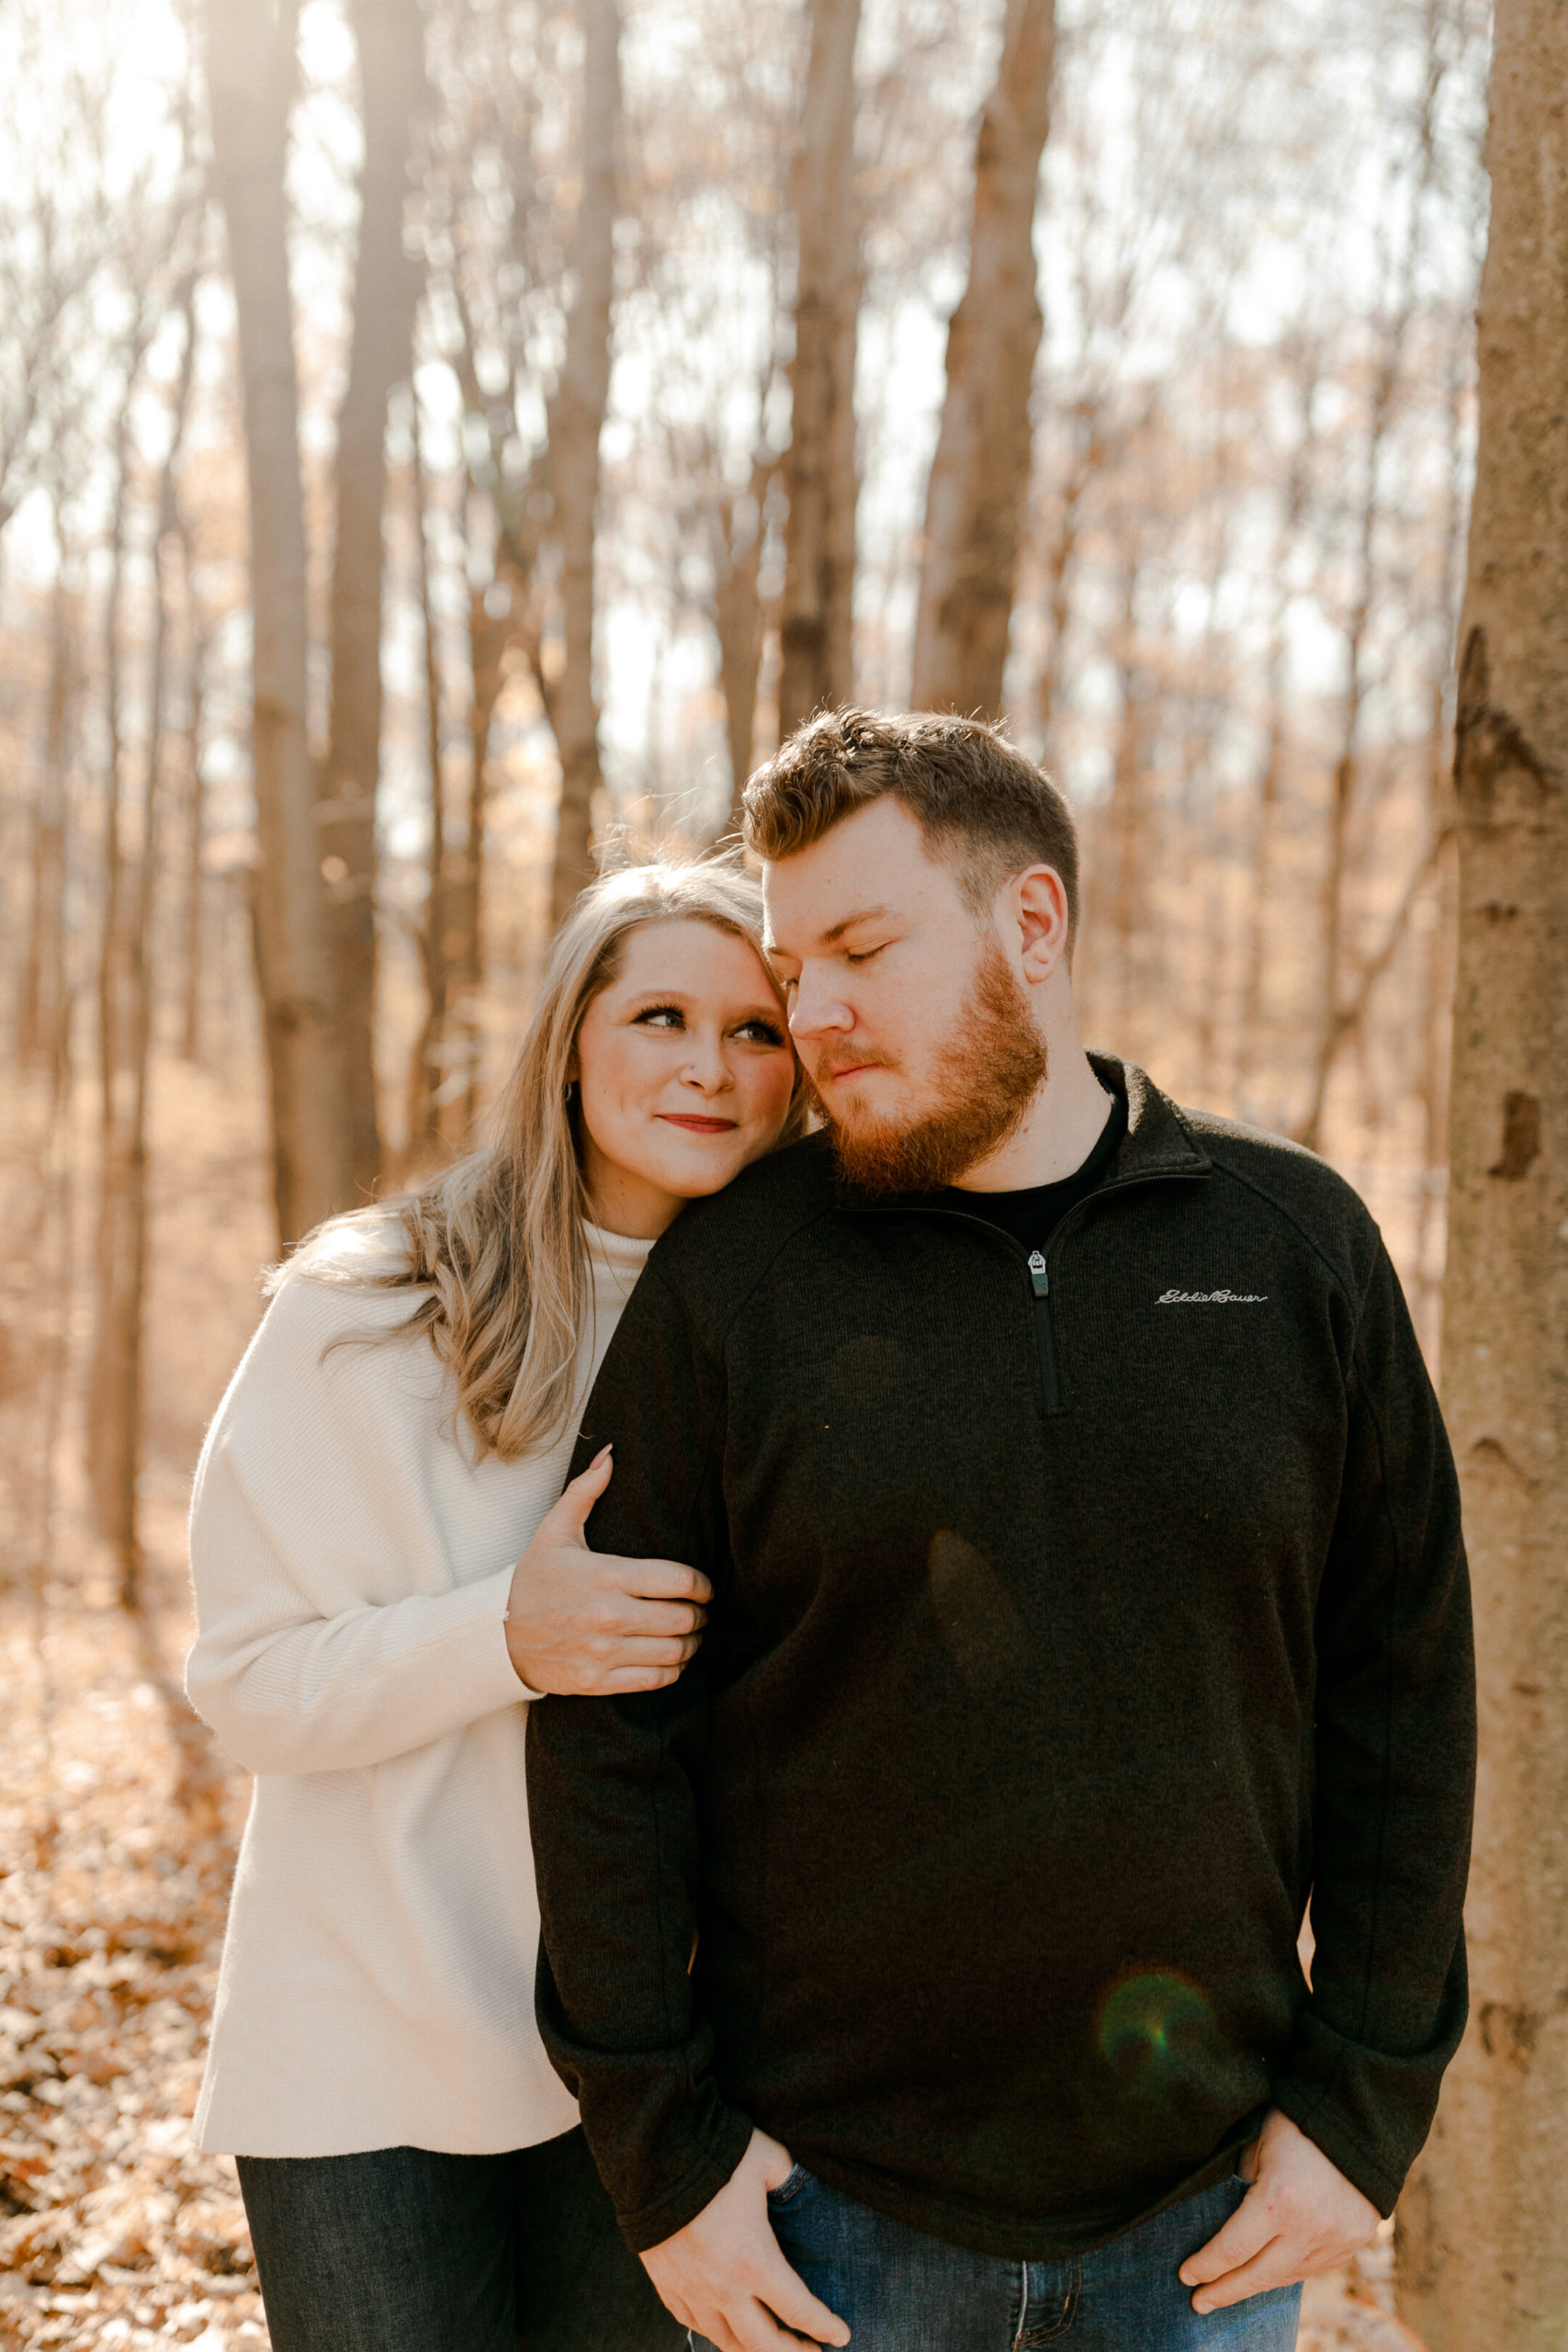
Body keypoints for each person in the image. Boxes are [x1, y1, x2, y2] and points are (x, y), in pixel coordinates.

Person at [525, 710, 1476, 2352]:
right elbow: (610, 1727)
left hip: (1210, 2221)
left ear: (1031, 926)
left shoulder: (1294, 1245)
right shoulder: (738, 1277)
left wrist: (1366, 2107)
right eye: (789, 962)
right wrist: (662, 2152)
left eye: (859, 950)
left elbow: (1404, 1691)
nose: (807, 1015)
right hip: (823, 2225)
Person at [185, 860, 803, 2352]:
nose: (710, 1068)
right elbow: (250, 1684)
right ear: (569, 1040)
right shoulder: (371, 1302)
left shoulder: (808, 1336)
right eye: (661, 1014)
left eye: (757, 1030)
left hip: (661, 2070)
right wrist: (507, 1641)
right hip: (371, 2056)